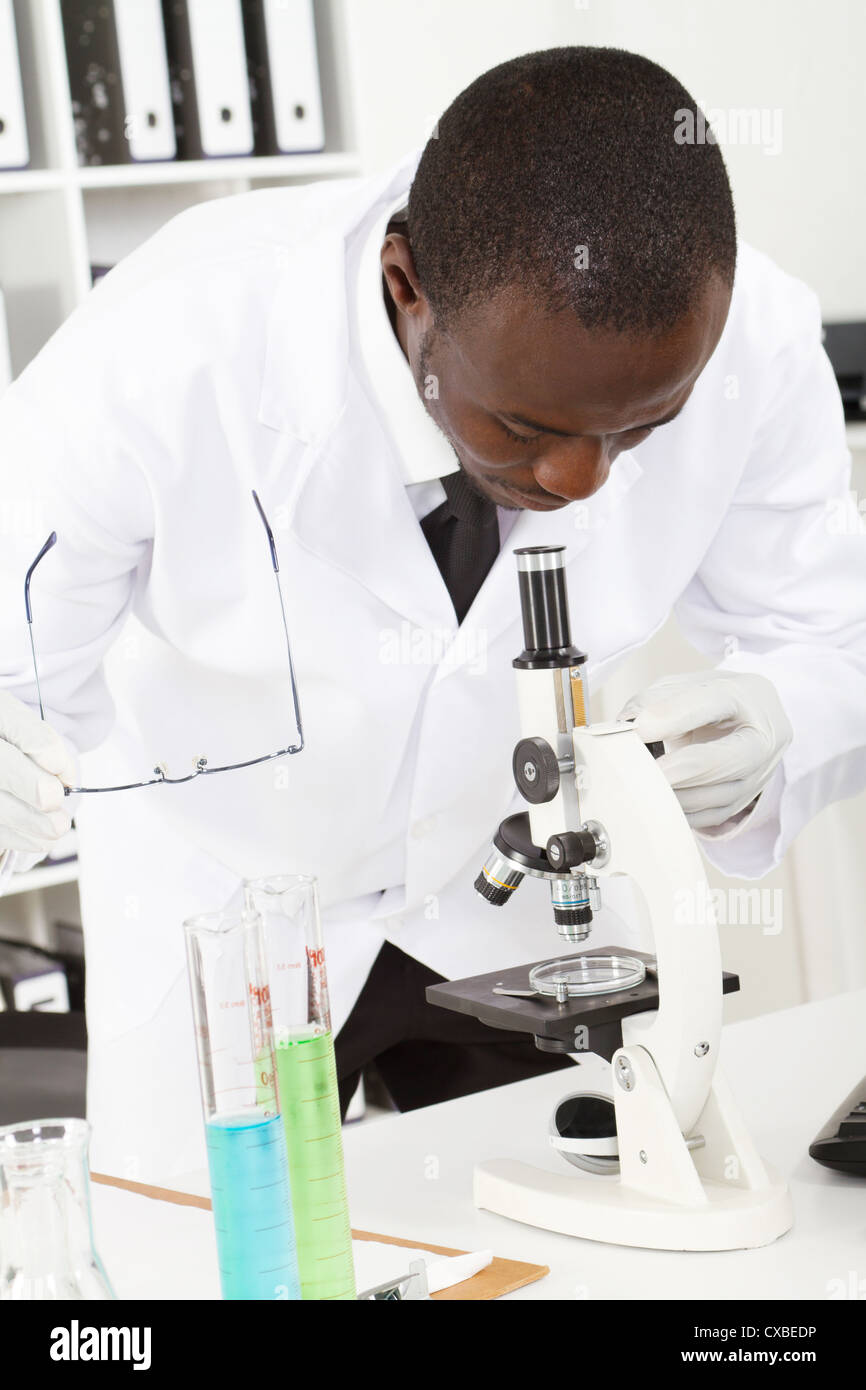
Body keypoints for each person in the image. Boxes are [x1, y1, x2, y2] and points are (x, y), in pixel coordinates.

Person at [0, 48, 863, 1181]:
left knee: (599, 1229)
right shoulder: (169, 348)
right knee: (215, 1253)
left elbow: (830, 639)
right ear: (407, 287)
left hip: (512, 888)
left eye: (637, 428)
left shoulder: (745, 340)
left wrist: (766, 718)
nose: (579, 481)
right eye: (521, 426)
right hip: (230, 896)